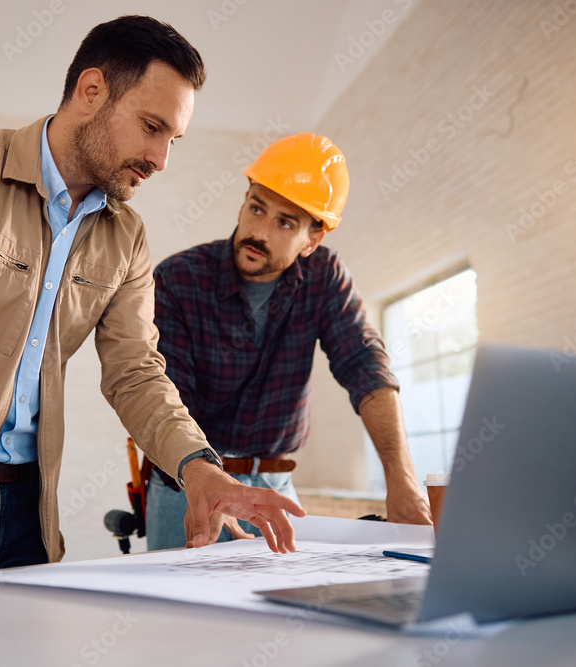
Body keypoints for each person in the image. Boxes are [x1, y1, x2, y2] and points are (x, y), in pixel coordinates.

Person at [0, 15, 305, 596]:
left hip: (28, 519)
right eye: (152, 127)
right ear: (91, 91)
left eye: (172, 139)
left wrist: (199, 469)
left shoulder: (128, 238)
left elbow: (136, 373)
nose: (161, 158)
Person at [147, 132, 431, 550]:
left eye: (285, 222)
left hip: (273, 481)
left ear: (312, 241)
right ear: (244, 201)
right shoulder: (177, 278)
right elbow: (170, 397)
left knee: (280, 606)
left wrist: (402, 482)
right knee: (177, 613)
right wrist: (211, 481)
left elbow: (365, 368)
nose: (259, 232)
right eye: (256, 208)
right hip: (188, 480)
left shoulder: (324, 277)